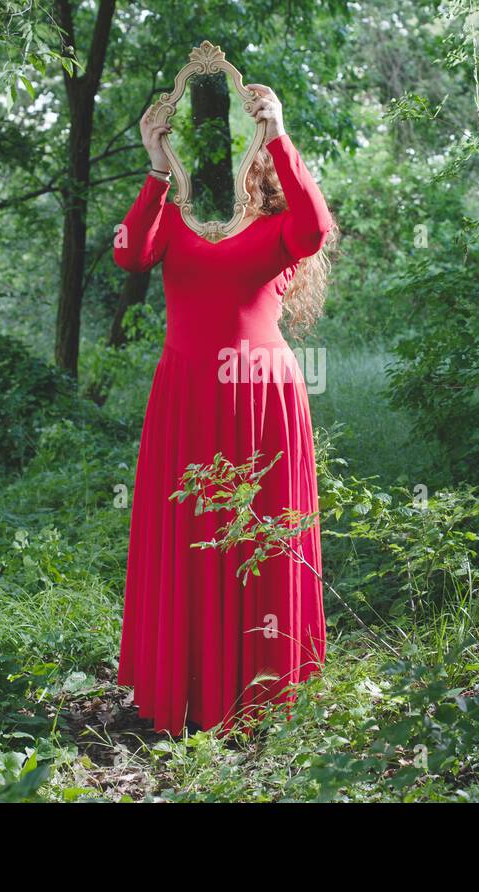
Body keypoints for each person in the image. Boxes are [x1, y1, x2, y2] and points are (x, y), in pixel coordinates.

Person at [113, 82, 336, 735]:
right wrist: (156, 167)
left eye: (261, 158)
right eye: (251, 154)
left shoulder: (281, 233)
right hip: (185, 400)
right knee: (187, 544)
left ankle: (264, 703)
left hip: (260, 404)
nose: (250, 166)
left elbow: (318, 227)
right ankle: (184, 699)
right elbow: (128, 250)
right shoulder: (178, 223)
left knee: (257, 551)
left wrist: (279, 132)